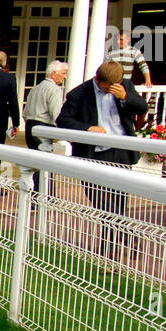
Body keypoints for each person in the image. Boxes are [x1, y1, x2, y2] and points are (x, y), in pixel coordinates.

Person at [56, 60, 148, 256]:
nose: (110, 91)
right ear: (98, 79)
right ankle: (129, 238)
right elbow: (63, 120)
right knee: (102, 202)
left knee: (118, 202)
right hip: (94, 154)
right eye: (107, 88)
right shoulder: (79, 94)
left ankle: (109, 249)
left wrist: (125, 97)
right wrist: (88, 129)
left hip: (121, 151)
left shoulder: (125, 86)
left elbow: (142, 107)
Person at [23, 60, 68, 194]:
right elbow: (57, 115)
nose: (65, 77)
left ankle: (36, 195)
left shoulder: (36, 88)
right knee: (45, 164)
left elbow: (25, 112)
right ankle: (45, 196)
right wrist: (64, 133)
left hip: (30, 127)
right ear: (54, 74)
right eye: (63, 73)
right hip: (42, 128)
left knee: (36, 164)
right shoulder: (54, 89)